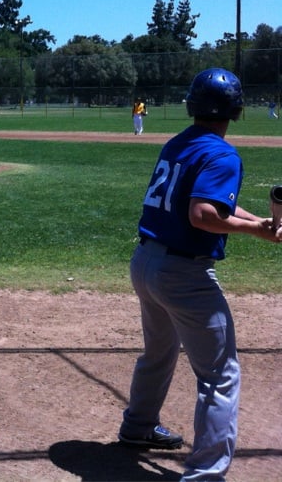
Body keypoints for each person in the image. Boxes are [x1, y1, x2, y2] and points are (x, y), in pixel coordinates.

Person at [118, 68, 280, 480]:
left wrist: (258, 223)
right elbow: (203, 213)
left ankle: (138, 426)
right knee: (220, 374)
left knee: (159, 352)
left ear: (193, 104)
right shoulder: (222, 154)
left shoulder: (179, 143)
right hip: (182, 275)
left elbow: (211, 202)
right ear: (236, 109)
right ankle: (206, 474)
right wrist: (254, 232)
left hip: (146, 262)